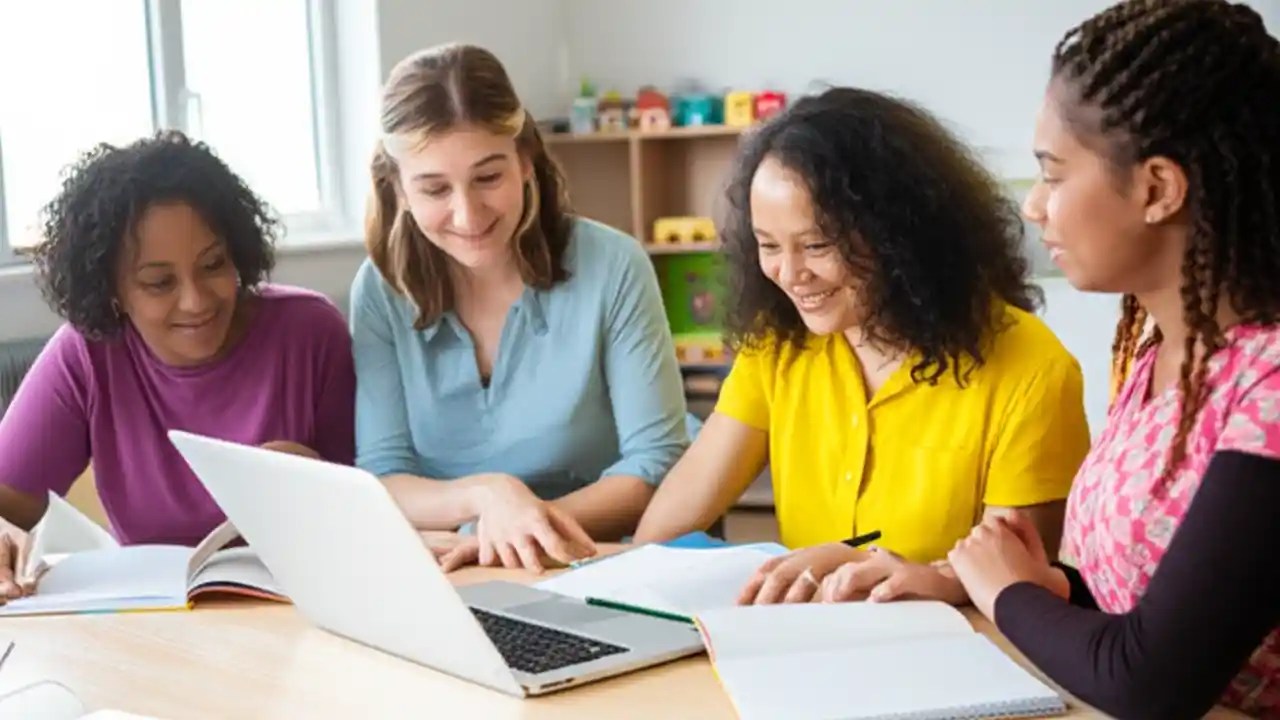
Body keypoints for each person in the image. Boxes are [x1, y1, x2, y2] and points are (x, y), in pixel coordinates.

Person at [946, 1, 1280, 717]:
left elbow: (1150, 682)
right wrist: (1001, 582)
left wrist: (1008, 594)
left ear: (1157, 188)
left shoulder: (1272, 387)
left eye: (1054, 175)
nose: (1034, 207)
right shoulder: (1160, 355)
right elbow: (1164, 603)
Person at [632, 87, 1092, 606]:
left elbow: (1019, 582)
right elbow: (670, 522)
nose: (789, 273)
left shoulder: (1031, 368)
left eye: (816, 246)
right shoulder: (779, 345)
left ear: (898, 234)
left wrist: (882, 571)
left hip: (952, 654)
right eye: (767, 245)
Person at [350, 43, 689, 573]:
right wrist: (488, 497)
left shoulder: (614, 265)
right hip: (451, 570)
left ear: (525, 160)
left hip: (590, 561)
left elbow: (657, 463)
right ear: (398, 189)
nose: (468, 214)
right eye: (434, 188)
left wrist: (516, 527)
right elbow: (384, 475)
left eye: (489, 177)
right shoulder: (379, 289)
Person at [0, 131, 356, 599]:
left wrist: (316, 478)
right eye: (159, 282)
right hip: (158, 623)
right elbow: (9, 500)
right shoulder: (89, 353)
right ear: (112, 291)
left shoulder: (311, 332)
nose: (196, 301)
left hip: (306, 614)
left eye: (213, 265)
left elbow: (373, 506)